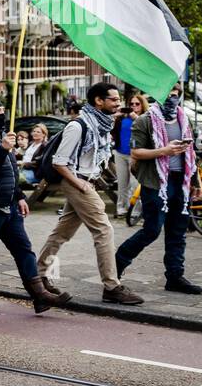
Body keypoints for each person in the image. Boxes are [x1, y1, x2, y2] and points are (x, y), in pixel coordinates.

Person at [36, 82, 143, 305]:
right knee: (104, 230)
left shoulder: (101, 125)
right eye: (113, 99)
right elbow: (59, 162)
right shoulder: (78, 126)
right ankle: (112, 286)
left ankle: (38, 275)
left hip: (87, 181)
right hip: (77, 182)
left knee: (62, 232)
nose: (118, 103)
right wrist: (81, 184)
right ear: (98, 101)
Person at [0, 98, 66, 314]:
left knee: (24, 250)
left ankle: (39, 295)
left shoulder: (1, 137)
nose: (2, 115)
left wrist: (20, 196)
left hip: (10, 207)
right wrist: (2, 150)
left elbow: (12, 171)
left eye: (3, 110)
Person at [114, 84, 202, 294]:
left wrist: (196, 181)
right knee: (152, 230)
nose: (172, 97)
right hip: (156, 183)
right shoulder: (146, 120)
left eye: (176, 94)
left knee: (178, 231)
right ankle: (117, 264)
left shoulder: (183, 119)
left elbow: (190, 153)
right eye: (169, 93)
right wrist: (165, 150)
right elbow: (136, 152)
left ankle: (175, 277)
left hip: (180, 183)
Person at [113, 94, 146, 217]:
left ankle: (136, 211)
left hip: (136, 155)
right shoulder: (123, 118)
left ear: (142, 104)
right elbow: (112, 131)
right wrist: (115, 116)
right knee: (122, 184)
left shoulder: (144, 118)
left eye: (137, 104)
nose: (134, 106)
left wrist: (136, 117)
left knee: (135, 184)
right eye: (131, 104)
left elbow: (148, 130)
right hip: (120, 153)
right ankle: (122, 208)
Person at [19, 122, 49, 187]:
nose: (35, 133)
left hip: (34, 172)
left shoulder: (45, 145)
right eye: (34, 131)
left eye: (38, 132)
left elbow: (39, 162)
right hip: (23, 169)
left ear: (44, 134)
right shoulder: (31, 143)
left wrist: (23, 163)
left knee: (18, 179)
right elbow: (27, 156)